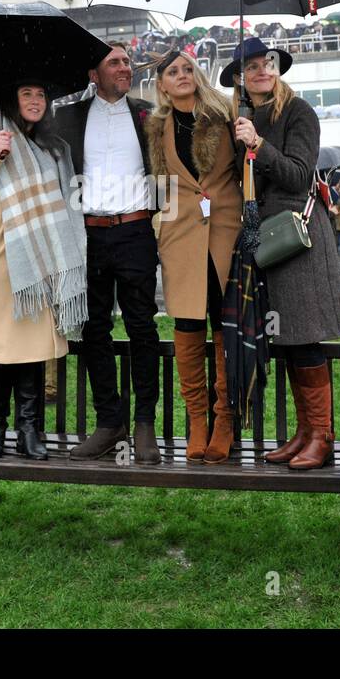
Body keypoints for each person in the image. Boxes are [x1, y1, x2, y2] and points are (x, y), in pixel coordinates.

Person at [227, 38, 340, 470]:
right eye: (252, 66)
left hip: (298, 238)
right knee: (289, 339)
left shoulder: (299, 112)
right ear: (240, 79)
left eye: (268, 64)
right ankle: (304, 432)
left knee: (305, 336)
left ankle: (323, 434)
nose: (262, 71)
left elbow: (298, 176)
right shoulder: (243, 118)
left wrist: (257, 144)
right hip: (264, 239)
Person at [0, 81, 87, 461]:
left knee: (33, 350)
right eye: (26, 94)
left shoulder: (54, 146)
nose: (35, 101)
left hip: (42, 262)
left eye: (41, 95)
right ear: (11, 99)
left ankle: (29, 429)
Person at [53, 41, 163, 463]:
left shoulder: (149, 114)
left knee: (142, 328)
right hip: (89, 236)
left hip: (135, 231)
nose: (124, 66)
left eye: (126, 61)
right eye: (114, 62)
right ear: (93, 75)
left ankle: (145, 424)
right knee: (94, 329)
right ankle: (108, 422)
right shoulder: (67, 118)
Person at [145, 50, 239, 463]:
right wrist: (161, 226)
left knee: (223, 323)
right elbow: (159, 184)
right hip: (179, 235)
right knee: (186, 323)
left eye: (187, 69)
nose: (181, 75)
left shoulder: (225, 113)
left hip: (224, 230)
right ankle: (196, 422)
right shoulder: (156, 127)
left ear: (197, 75)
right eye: (172, 72)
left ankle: (224, 420)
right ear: (162, 85)